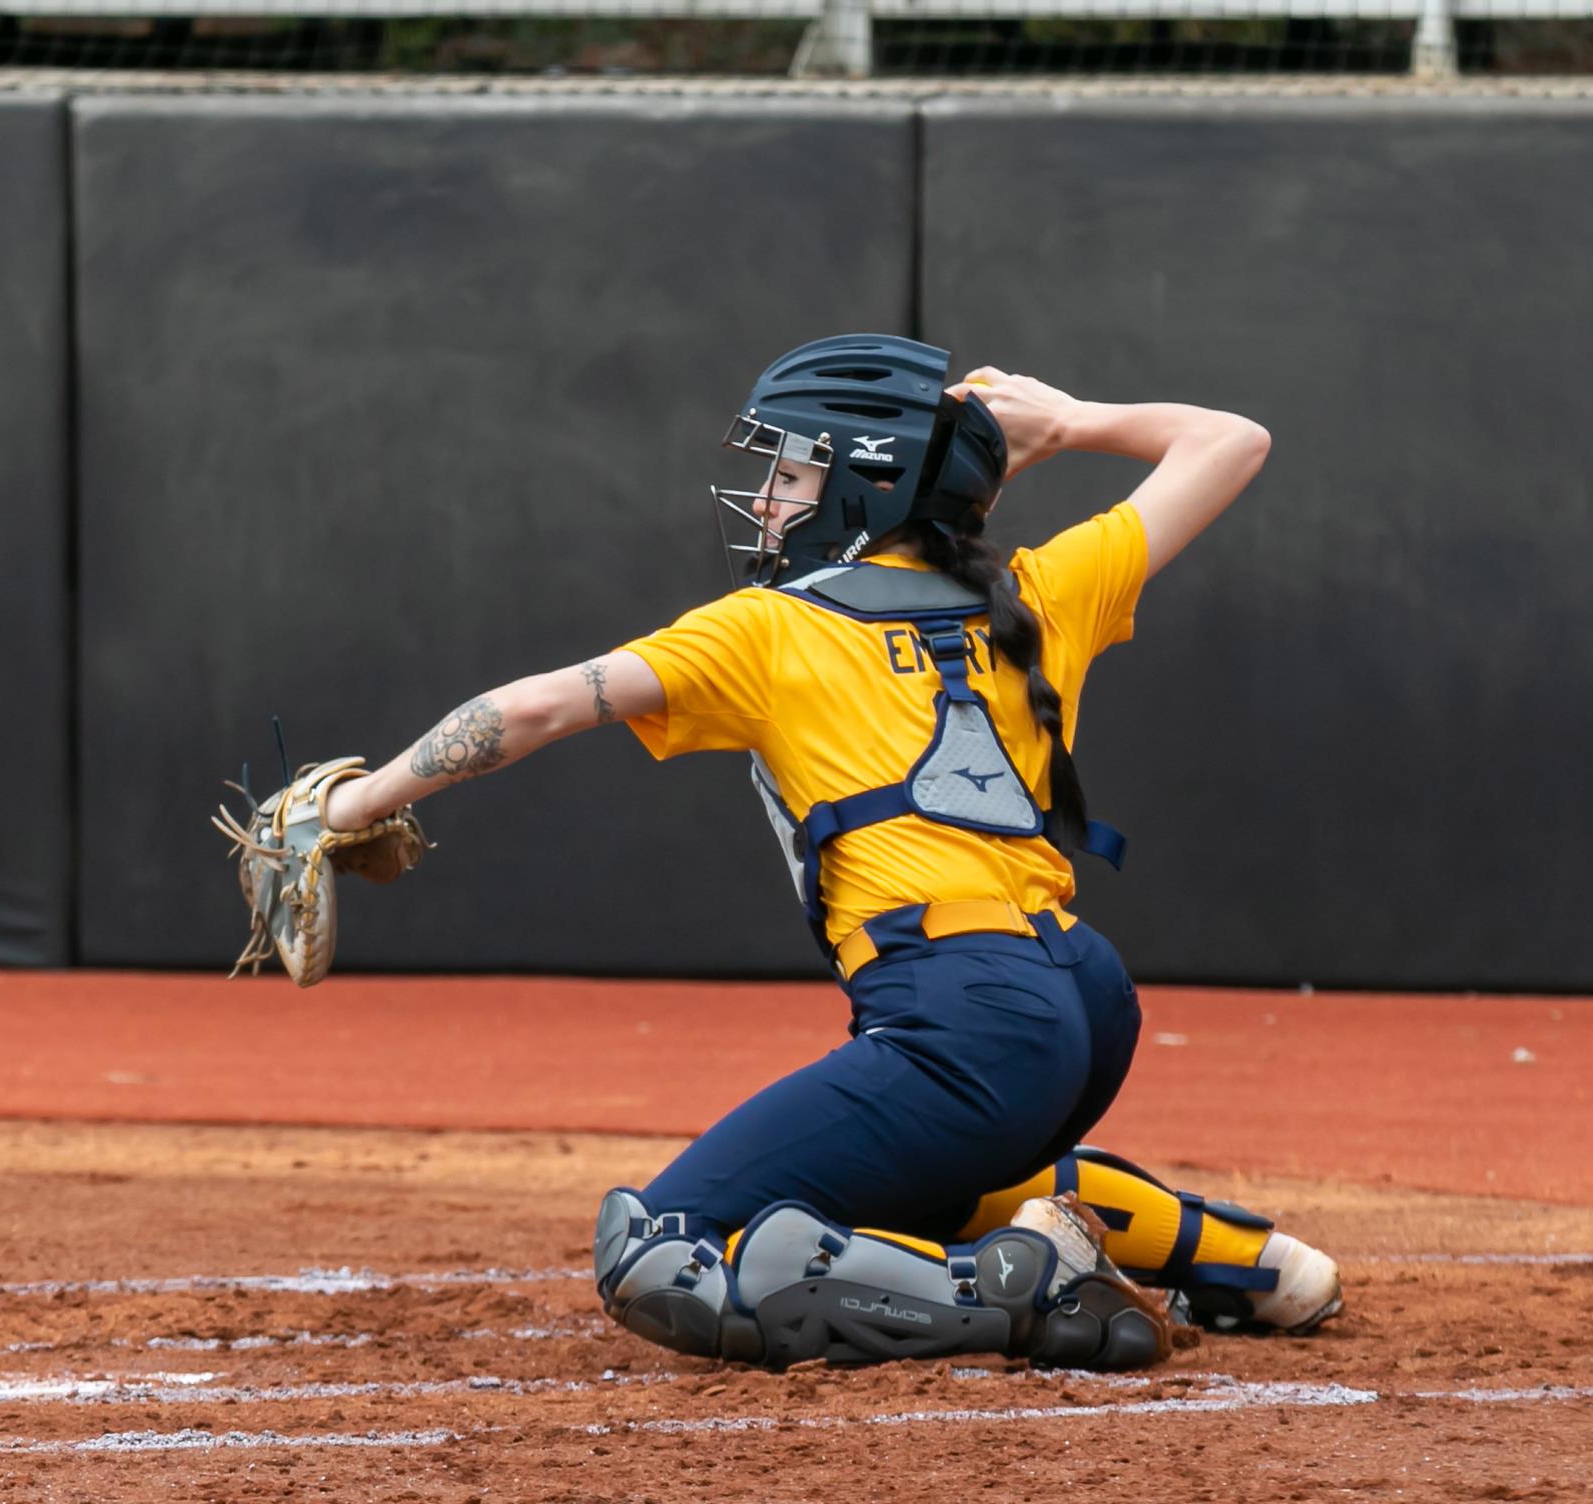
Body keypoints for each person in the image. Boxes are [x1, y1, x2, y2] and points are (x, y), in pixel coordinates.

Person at [321, 334, 1342, 1371]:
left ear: (866, 485)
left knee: (653, 1252)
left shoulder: (768, 627)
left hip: (963, 1012)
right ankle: (1245, 1262)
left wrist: (350, 803)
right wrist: (1070, 426)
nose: (767, 496)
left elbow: (533, 708)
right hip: (1083, 998)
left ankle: (1022, 1291)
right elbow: (1227, 441)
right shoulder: (1034, 593)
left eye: (793, 469)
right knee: (926, 1178)